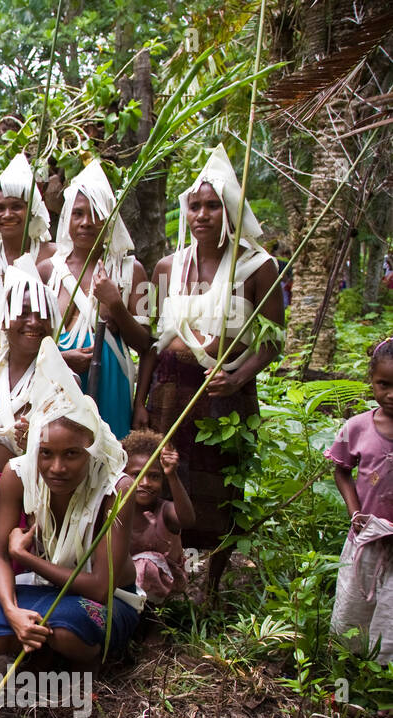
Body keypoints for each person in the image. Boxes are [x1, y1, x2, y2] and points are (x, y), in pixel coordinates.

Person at [135, 145, 284, 590]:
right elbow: (151, 340)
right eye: (194, 205)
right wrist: (141, 400)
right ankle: (167, 574)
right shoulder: (166, 267)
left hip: (224, 395)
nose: (202, 214)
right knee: (166, 480)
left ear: (230, 209)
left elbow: (274, 339)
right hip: (168, 392)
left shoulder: (258, 267)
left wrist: (238, 375)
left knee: (217, 485)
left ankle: (211, 584)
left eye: (213, 205)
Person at [0, 339, 143, 668]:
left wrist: (24, 556)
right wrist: (12, 611)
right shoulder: (18, 473)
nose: (57, 468)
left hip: (108, 597)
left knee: (66, 632)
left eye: (72, 455)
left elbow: (99, 587)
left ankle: (91, 658)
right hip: (45, 590)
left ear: (92, 451)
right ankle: (40, 641)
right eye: (46, 454)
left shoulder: (115, 489)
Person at [0, 259, 61, 597]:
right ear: (5, 317)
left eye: (42, 314)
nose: (33, 322)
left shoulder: (63, 380)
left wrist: (37, 440)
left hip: (20, 502)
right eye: (23, 312)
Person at [41, 158, 150, 441]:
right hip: (57, 382)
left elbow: (148, 346)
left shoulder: (133, 271)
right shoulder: (47, 271)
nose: (87, 222)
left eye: (95, 213)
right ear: (66, 219)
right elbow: (24, 340)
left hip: (113, 383)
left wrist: (116, 305)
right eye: (78, 213)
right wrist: (62, 359)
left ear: (109, 218)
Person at [327, 338, 393, 664]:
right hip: (365, 539)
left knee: (390, 614)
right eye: (384, 384)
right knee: (354, 605)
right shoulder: (357, 428)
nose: (391, 394)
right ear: (372, 381)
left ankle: (383, 678)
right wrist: (355, 512)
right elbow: (341, 470)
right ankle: (348, 669)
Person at [0, 153, 57, 350]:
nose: (7, 215)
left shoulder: (53, 256)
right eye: (0, 208)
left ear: (31, 210)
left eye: (16, 207)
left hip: (44, 355)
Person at [122, 428, 194, 605]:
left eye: (154, 476)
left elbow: (187, 520)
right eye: (136, 475)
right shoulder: (117, 509)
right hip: (124, 583)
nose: (145, 483)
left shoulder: (165, 510)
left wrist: (172, 474)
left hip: (162, 585)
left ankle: (154, 621)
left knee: (145, 565)